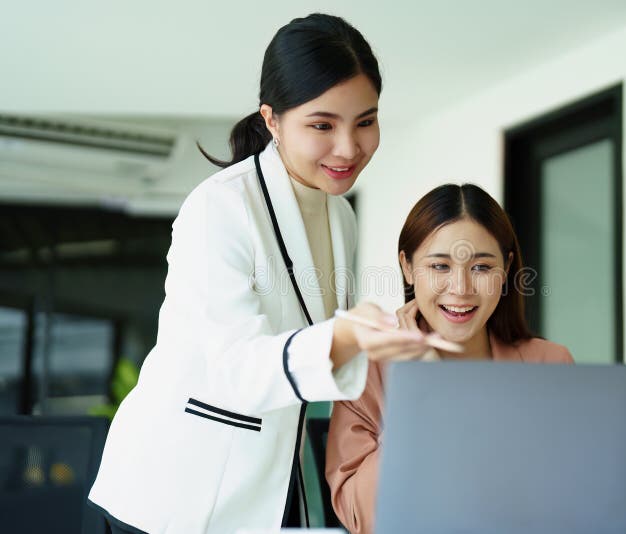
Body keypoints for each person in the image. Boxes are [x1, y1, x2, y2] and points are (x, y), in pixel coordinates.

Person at [88, 14, 434, 534]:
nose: (349, 147)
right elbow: (236, 366)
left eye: (366, 121)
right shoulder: (218, 209)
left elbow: (311, 350)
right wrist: (345, 337)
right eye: (322, 125)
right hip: (177, 499)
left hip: (267, 491)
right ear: (272, 120)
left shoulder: (340, 214)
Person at [325, 183, 575, 534]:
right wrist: (423, 393)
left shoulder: (550, 364)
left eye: (481, 268)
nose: (460, 288)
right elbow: (363, 518)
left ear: (505, 270)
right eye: (440, 266)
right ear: (408, 267)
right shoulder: (365, 371)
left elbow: (569, 499)